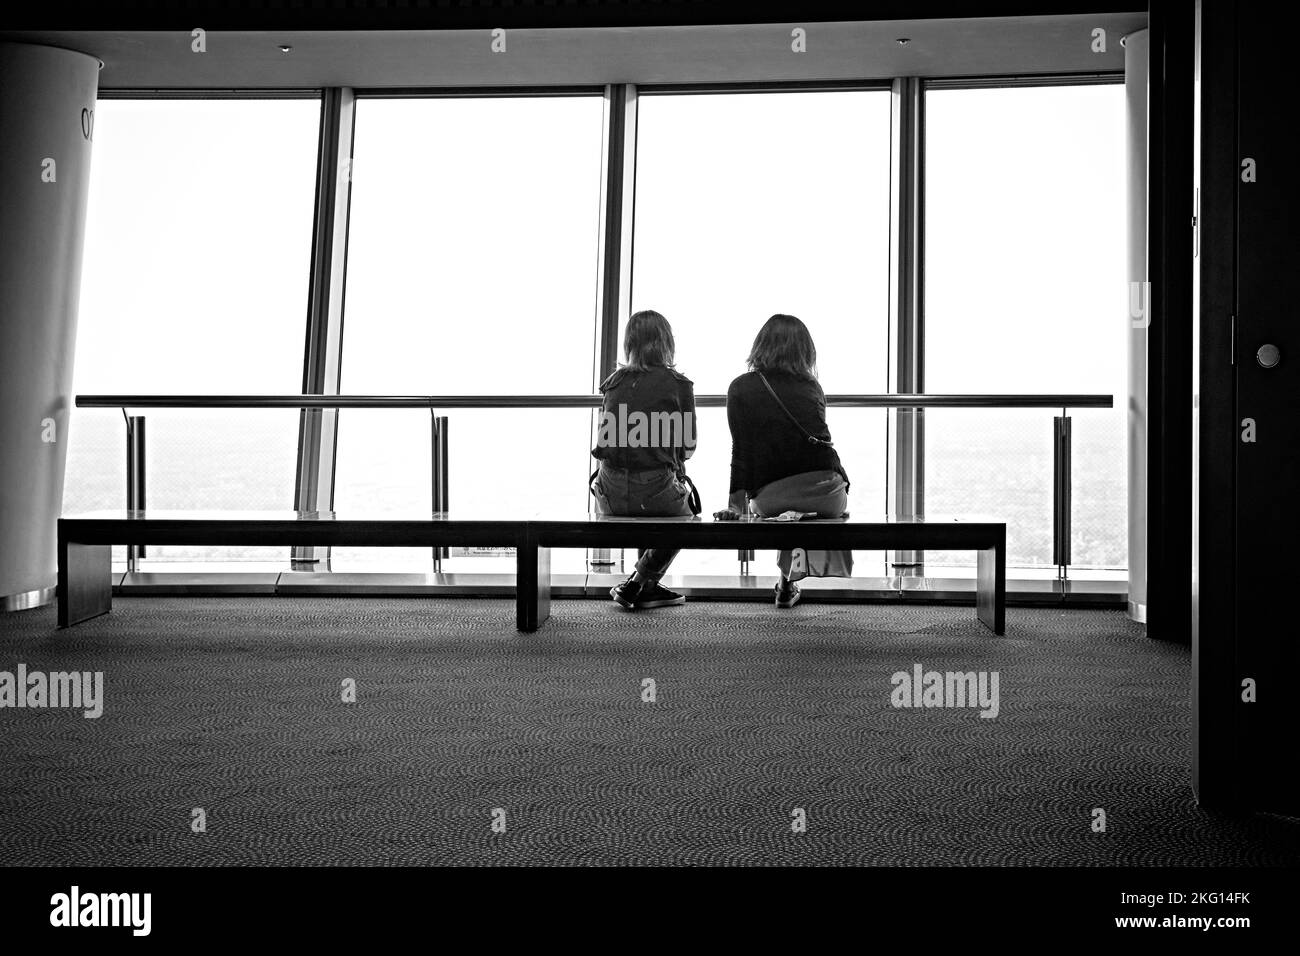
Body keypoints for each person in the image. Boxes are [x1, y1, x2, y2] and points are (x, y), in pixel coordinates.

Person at [714, 314, 851, 608]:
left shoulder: (740, 387)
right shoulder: (812, 386)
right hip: (828, 494)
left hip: (773, 498)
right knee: (798, 510)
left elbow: (742, 451)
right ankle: (786, 584)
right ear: (805, 351)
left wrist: (735, 506)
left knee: (787, 508)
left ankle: (787, 584)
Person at [591, 310, 698, 610]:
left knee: (651, 487)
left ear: (630, 344)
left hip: (608, 489)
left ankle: (645, 584)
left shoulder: (614, 382)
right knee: (685, 520)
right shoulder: (678, 385)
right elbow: (688, 445)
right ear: (666, 342)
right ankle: (640, 580)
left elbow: (607, 438)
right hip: (653, 491)